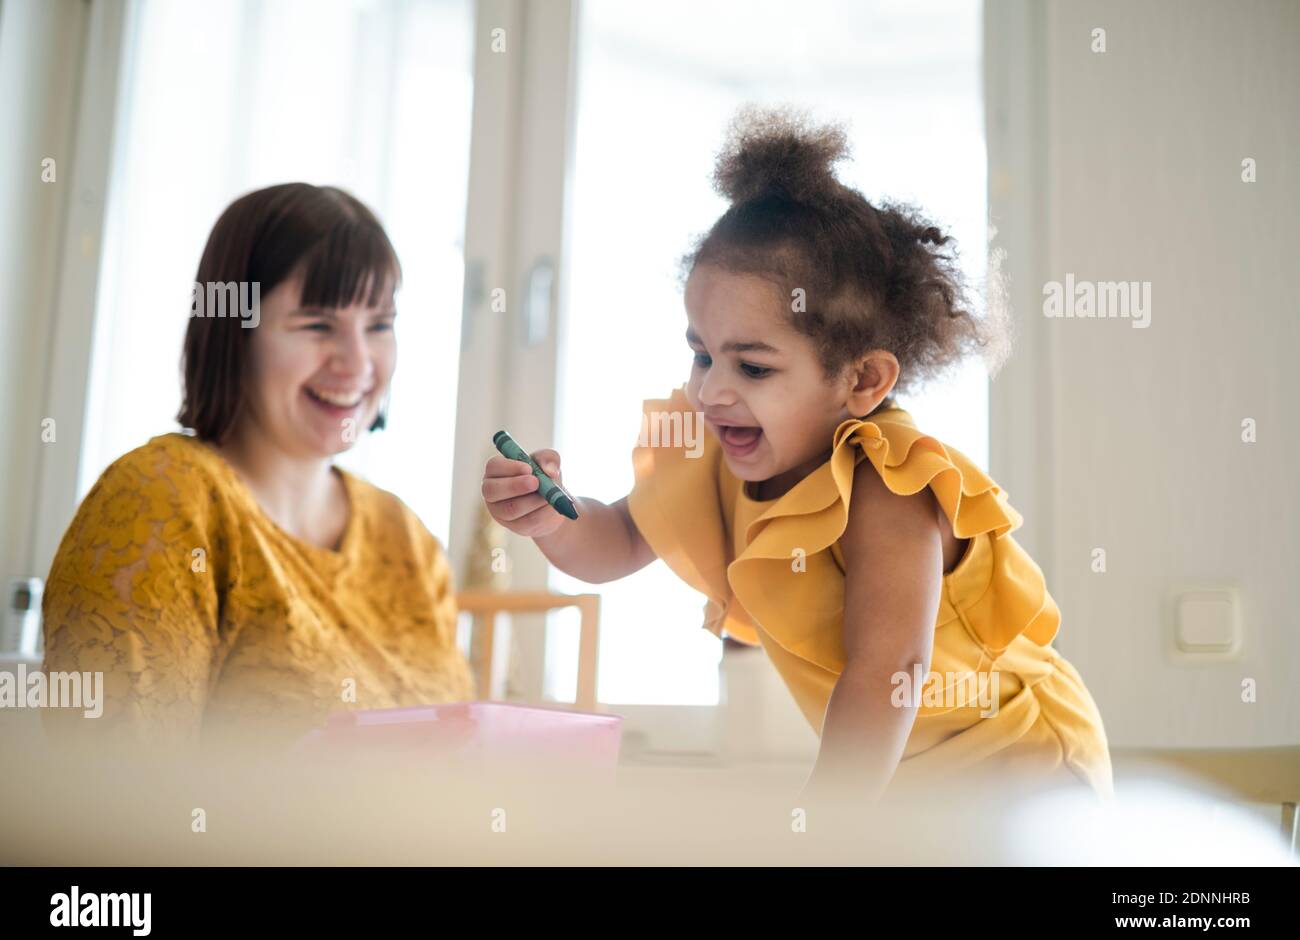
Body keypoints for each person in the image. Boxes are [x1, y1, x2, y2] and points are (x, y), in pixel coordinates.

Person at [482, 107, 1113, 803]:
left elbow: (887, 670)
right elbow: (618, 542)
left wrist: (826, 823)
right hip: (909, 779)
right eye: (701, 354)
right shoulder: (713, 455)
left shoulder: (888, 487)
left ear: (862, 381)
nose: (712, 390)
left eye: (752, 368)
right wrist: (551, 520)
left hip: (1024, 768)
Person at [41, 183, 475, 757]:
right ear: (234, 335)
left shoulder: (410, 541)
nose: (358, 363)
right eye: (318, 325)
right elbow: (112, 797)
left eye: (379, 325)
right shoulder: (160, 501)